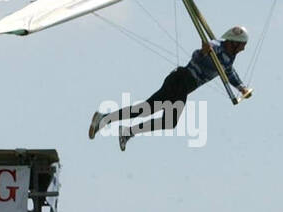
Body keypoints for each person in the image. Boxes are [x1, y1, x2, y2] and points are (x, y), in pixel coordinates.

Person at [89, 25, 253, 150]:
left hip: (183, 84)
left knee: (147, 110)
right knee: (165, 119)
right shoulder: (216, 46)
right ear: (234, 42)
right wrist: (204, 52)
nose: (244, 49)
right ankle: (120, 127)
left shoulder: (229, 58)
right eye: (242, 45)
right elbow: (198, 53)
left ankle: (108, 120)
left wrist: (242, 88)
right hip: (181, 79)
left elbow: (229, 72)